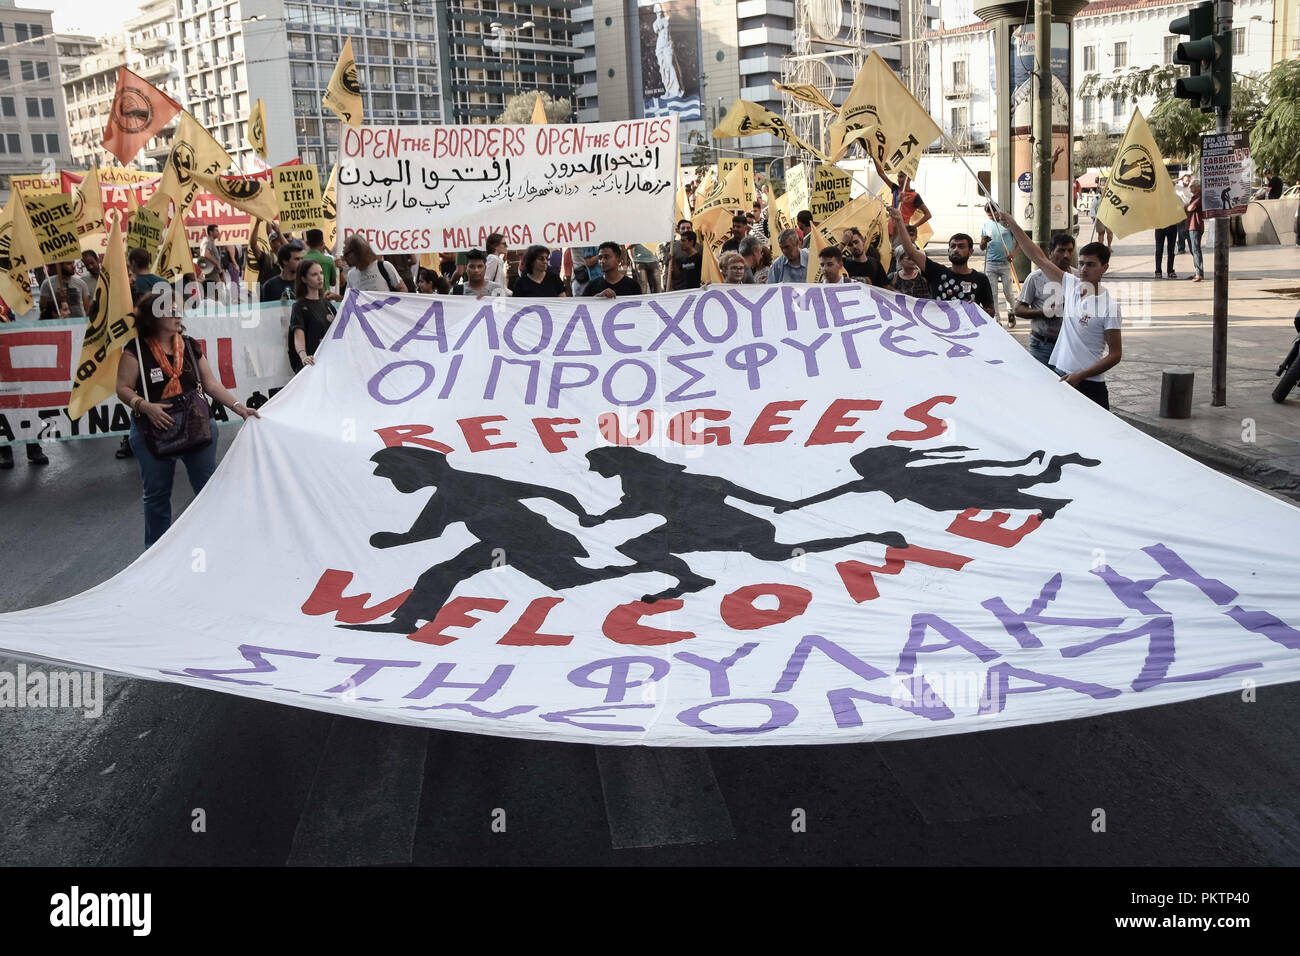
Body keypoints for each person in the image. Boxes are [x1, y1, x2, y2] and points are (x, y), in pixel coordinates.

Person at [115, 291, 260, 547]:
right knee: (157, 495)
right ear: (153, 318)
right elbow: (123, 388)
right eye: (169, 311)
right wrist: (146, 406)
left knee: (208, 489)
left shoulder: (190, 344)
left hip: (196, 423)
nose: (177, 315)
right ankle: (156, 553)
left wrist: (239, 408)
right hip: (154, 428)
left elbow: (211, 384)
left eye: (177, 310)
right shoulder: (135, 350)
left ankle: (219, 544)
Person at [996, 211, 1121, 409]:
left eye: (1091, 264)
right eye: (1081, 264)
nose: (1084, 269)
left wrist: (1081, 375)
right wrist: (1013, 225)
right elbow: (1038, 257)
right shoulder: (1070, 283)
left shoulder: (1110, 307)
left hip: (1090, 384)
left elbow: (1115, 354)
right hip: (1060, 373)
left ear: (1104, 267)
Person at [891, 207, 994, 317]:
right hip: (942, 332)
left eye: (961, 247)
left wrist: (979, 309)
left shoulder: (980, 279)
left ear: (971, 252)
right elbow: (911, 252)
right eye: (953, 246)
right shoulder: (938, 273)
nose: (956, 250)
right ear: (948, 251)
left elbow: (991, 312)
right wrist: (899, 221)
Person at [1015, 233, 1075, 366]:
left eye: (1070, 251)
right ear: (1050, 253)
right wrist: (1044, 311)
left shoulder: (1078, 278)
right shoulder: (1036, 278)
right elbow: (1018, 309)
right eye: (1061, 250)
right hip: (1042, 345)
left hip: (1070, 346)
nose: (1066, 255)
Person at [289, 258, 336, 373]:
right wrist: (304, 356)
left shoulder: (327, 305)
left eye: (321, 273)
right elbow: (298, 335)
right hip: (313, 365)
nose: (320, 277)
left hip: (330, 364)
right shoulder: (299, 307)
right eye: (314, 274)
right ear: (304, 279)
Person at [979, 204, 1018, 325]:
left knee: (1008, 292)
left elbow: (1019, 242)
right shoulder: (986, 225)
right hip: (991, 263)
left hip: (1005, 263)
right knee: (993, 294)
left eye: (993, 215)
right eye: (989, 216)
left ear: (998, 212)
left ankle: (1011, 312)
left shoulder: (1007, 224)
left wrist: (1013, 254)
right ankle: (997, 320)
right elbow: (981, 247)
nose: (991, 217)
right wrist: (983, 242)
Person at [342, 235, 408, 292]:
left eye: (346, 254)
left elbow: (403, 289)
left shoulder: (384, 266)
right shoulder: (351, 274)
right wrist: (337, 298)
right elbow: (349, 300)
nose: (344, 258)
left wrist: (388, 304)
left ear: (358, 252)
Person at [302, 228, 338, 296]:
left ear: (307, 243)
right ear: (322, 243)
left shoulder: (302, 259)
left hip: (307, 297)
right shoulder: (329, 260)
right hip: (325, 297)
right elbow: (333, 283)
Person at [1185, 180, 1205, 282]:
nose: (1190, 188)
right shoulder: (1195, 197)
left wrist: (1186, 207)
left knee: (1196, 250)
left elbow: (1190, 207)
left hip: (1195, 226)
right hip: (1191, 226)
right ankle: (1197, 270)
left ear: (1198, 186)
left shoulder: (1199, 197)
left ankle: (1199, 273)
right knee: (1193, 250)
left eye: (1192, 186)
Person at [199, 224, 224, 301]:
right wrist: (217, 263)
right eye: (216, 231)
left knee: (214, 295)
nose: (218, 232)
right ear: (210, 232)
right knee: (215, 296)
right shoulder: (208, 241)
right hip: (211, 274)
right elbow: (205, 254)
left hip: (213, 273)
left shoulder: (210, 242)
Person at [1174, 173, 1194, 253]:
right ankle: (1181, 248)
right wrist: (1179, 179)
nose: (1187, 182)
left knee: (1189, 230)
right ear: (1183, 180)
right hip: (1180, 211)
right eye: (1186, 180)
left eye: (1189, 180)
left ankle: (1181, 242)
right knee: (1181, 230)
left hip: (1190, 211)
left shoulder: (1191, 188)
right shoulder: (1178, 187)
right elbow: (1170, 183)